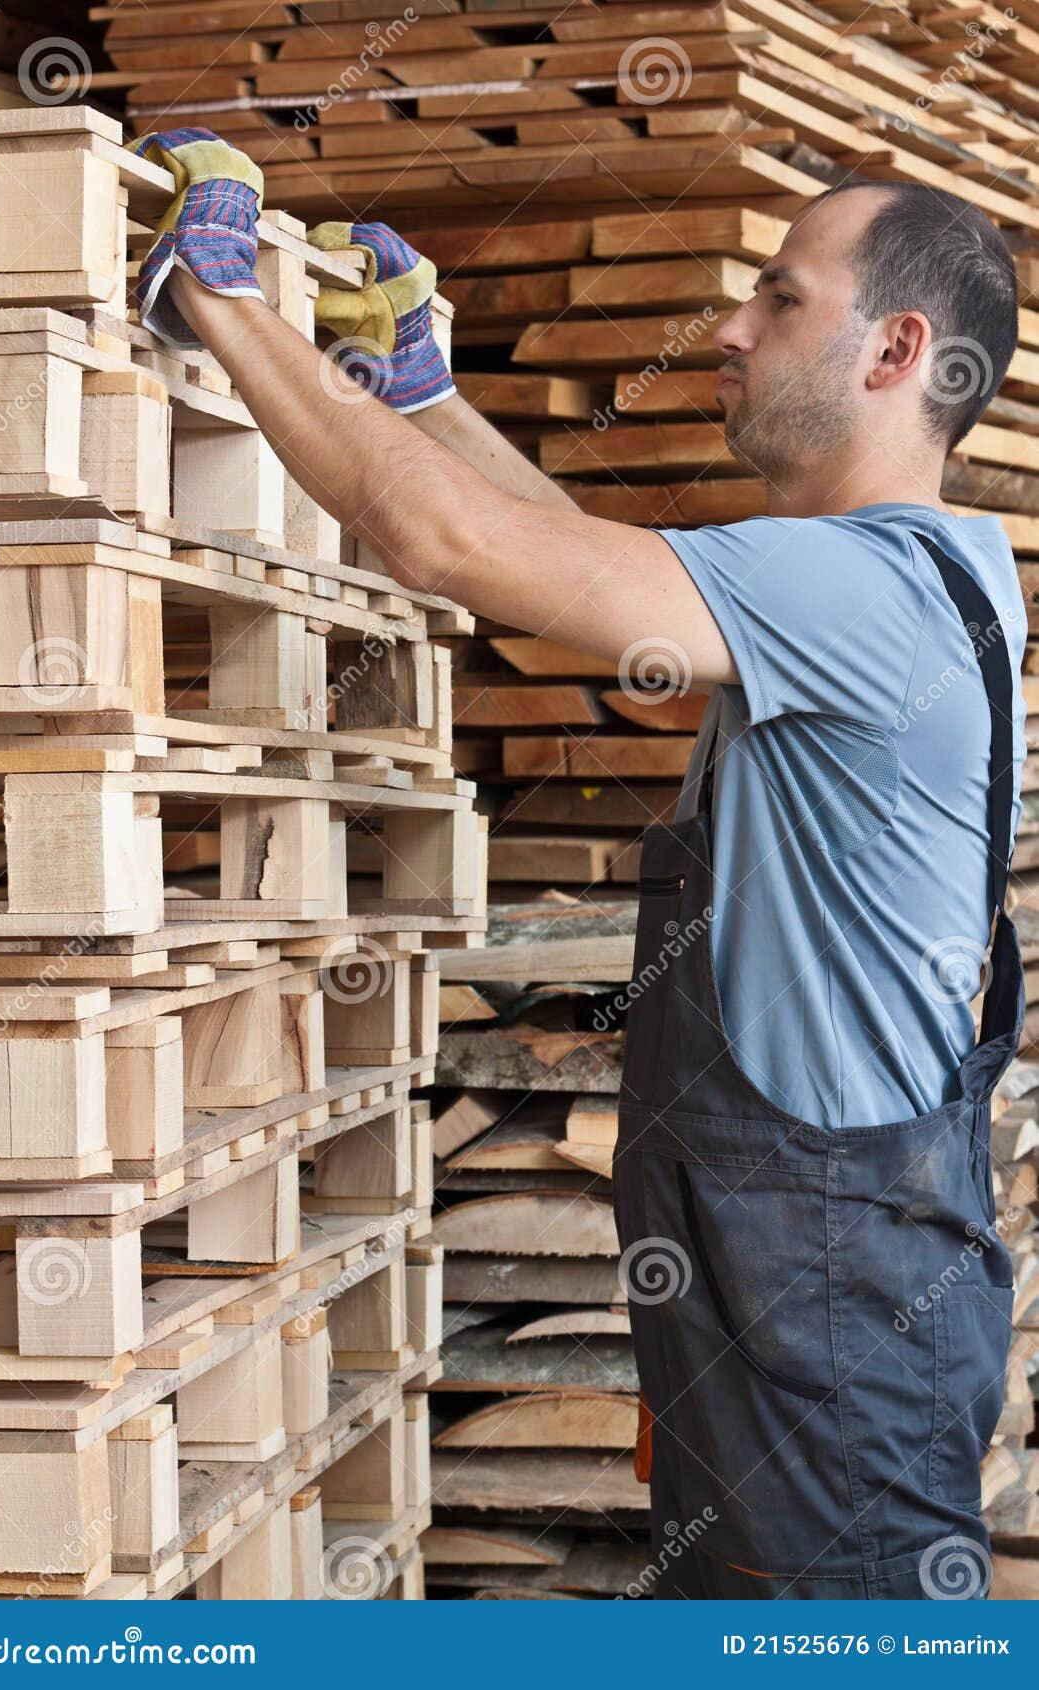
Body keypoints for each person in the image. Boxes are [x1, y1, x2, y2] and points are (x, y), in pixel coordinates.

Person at [136, 132, 1026, 1598]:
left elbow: (445, 539)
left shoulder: (853, 587)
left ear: (897, 348)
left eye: (781, 298)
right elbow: (570, 556)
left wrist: (225, 299)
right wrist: (416, 394)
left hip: (830, 1346)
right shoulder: (911, 573)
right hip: (813, 1305)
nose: (733, 329)